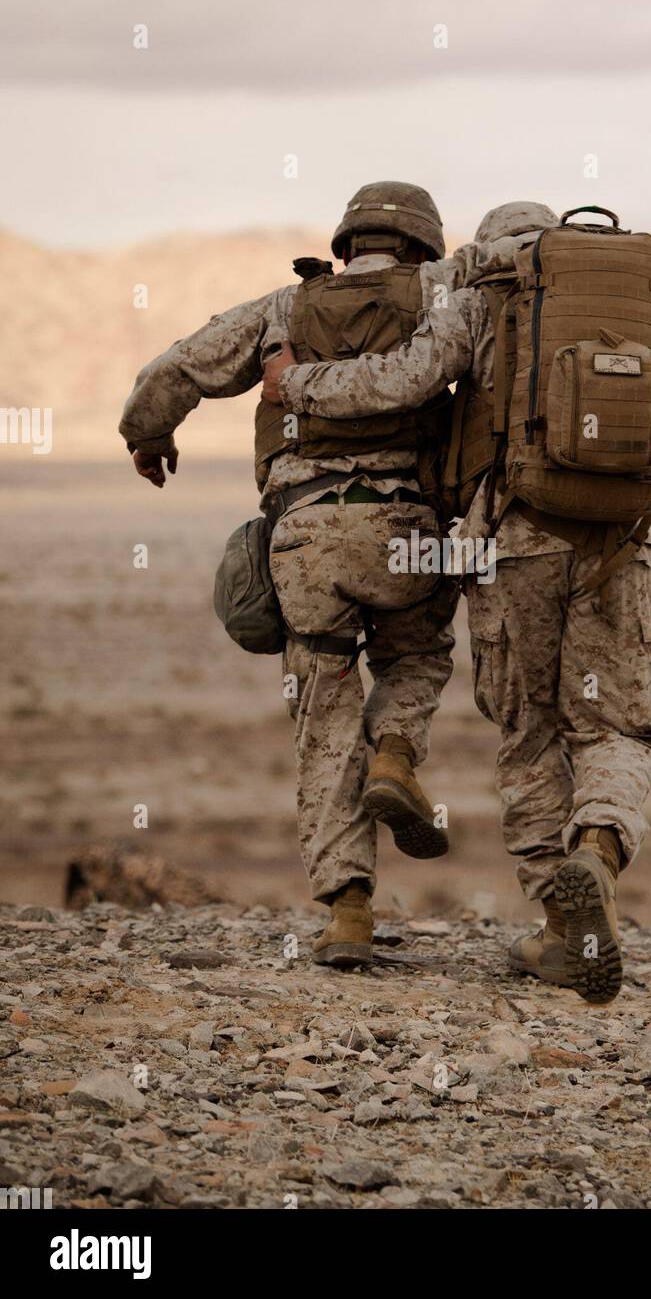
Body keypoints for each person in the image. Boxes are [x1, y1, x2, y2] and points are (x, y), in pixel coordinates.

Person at [261, 200, 651, 1004]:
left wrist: (294, 383)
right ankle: (599, 846)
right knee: (620, 724)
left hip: (511, 544)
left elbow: (397, 382)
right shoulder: (626, 302)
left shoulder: (478, 298)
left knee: (528, 735)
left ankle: (557, 922)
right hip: (618, 544)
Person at [119, 181, 461, 968]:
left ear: (345, 244)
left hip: (306, 536)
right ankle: (398, 755)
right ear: (420, 246)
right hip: (412, 531)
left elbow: (178, 368)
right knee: (416, 657)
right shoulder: (445, 299)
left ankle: (348, 915)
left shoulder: (283, 307)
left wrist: (147, 436)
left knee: (324, 718)